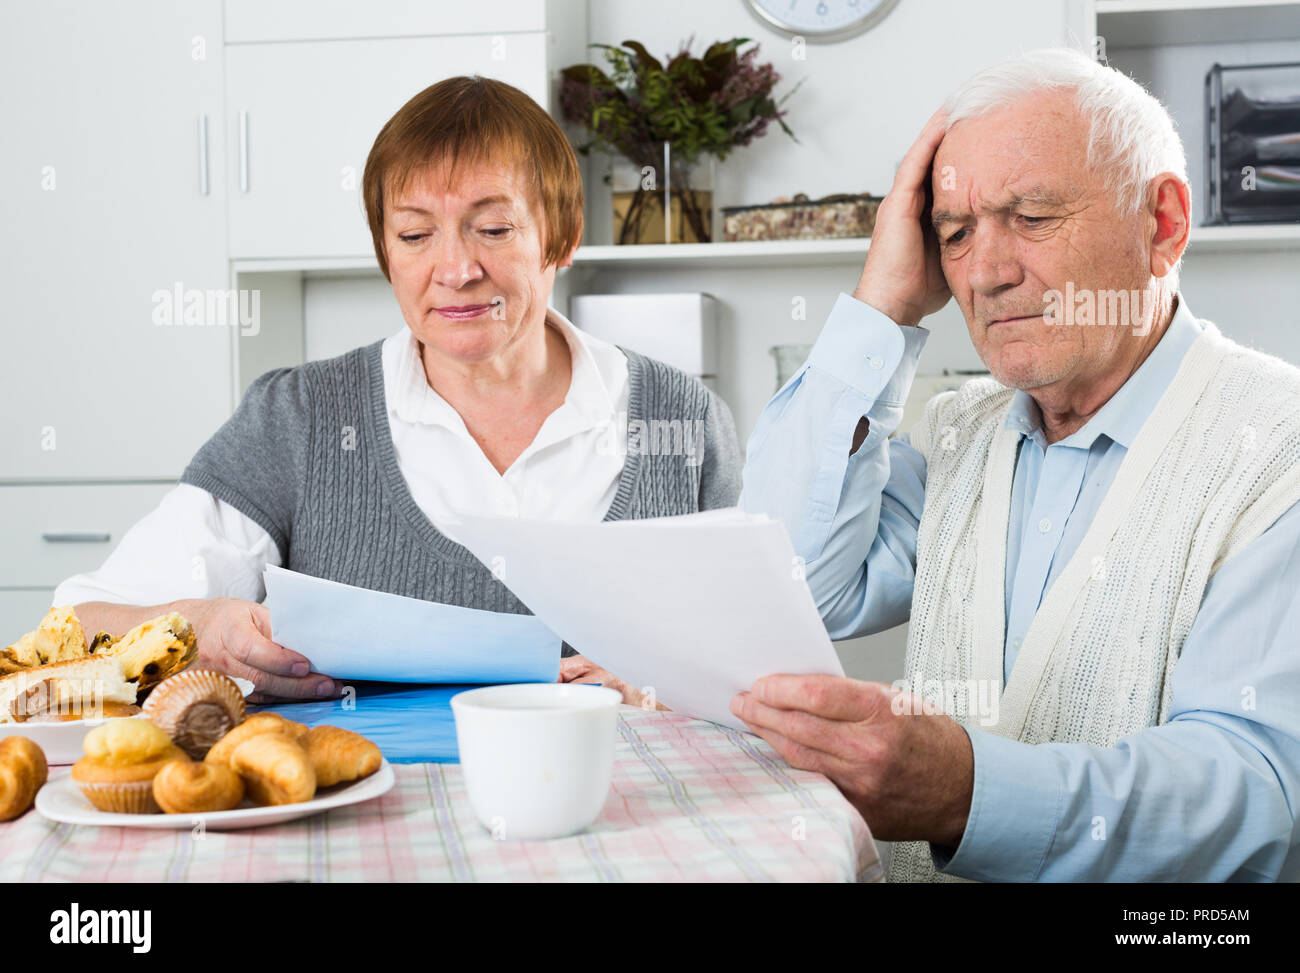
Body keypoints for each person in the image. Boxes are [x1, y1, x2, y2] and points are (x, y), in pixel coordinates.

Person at [735, 47, 1300, 882]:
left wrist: (966, 790)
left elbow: (1259, 794)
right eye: (954, 234)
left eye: (1032, 216)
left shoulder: (1277, 449)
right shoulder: (961, 430)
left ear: (1163, 225)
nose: (988, 273)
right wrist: (882, 305)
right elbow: (794, 578)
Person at [55, 76, 741, 704]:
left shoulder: (684, 422)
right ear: (387, 253)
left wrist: (675, 677)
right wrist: (205, 625)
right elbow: (78, 625)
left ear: (561, 235)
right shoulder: (298, 419)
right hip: (355, 824)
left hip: (624, 821)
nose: (455, 268)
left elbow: (761, 670)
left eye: (494, 229)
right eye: (415, 234)